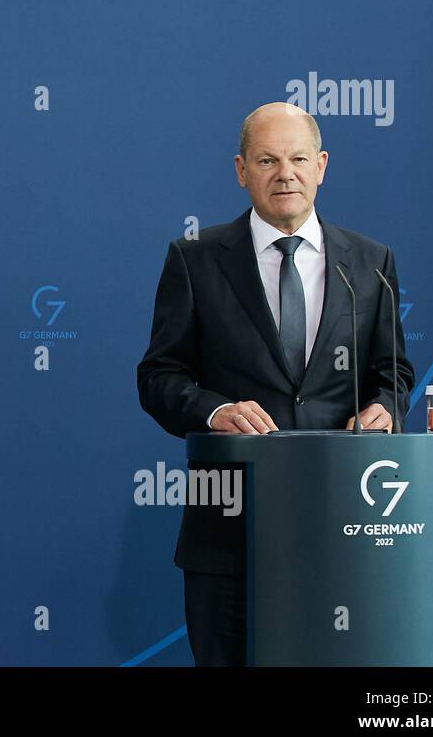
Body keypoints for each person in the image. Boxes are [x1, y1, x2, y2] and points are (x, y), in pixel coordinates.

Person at [136, 101, 414, 666]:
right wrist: (214, 412)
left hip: (346, 525)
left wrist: (385, 406)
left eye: (297, 158)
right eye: (267, 160)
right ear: (242, 170)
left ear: (322, 165)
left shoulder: (370, 262)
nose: (284, 172)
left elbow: (393, 372)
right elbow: (159, 377)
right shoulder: (195, 260)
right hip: (230, 536)